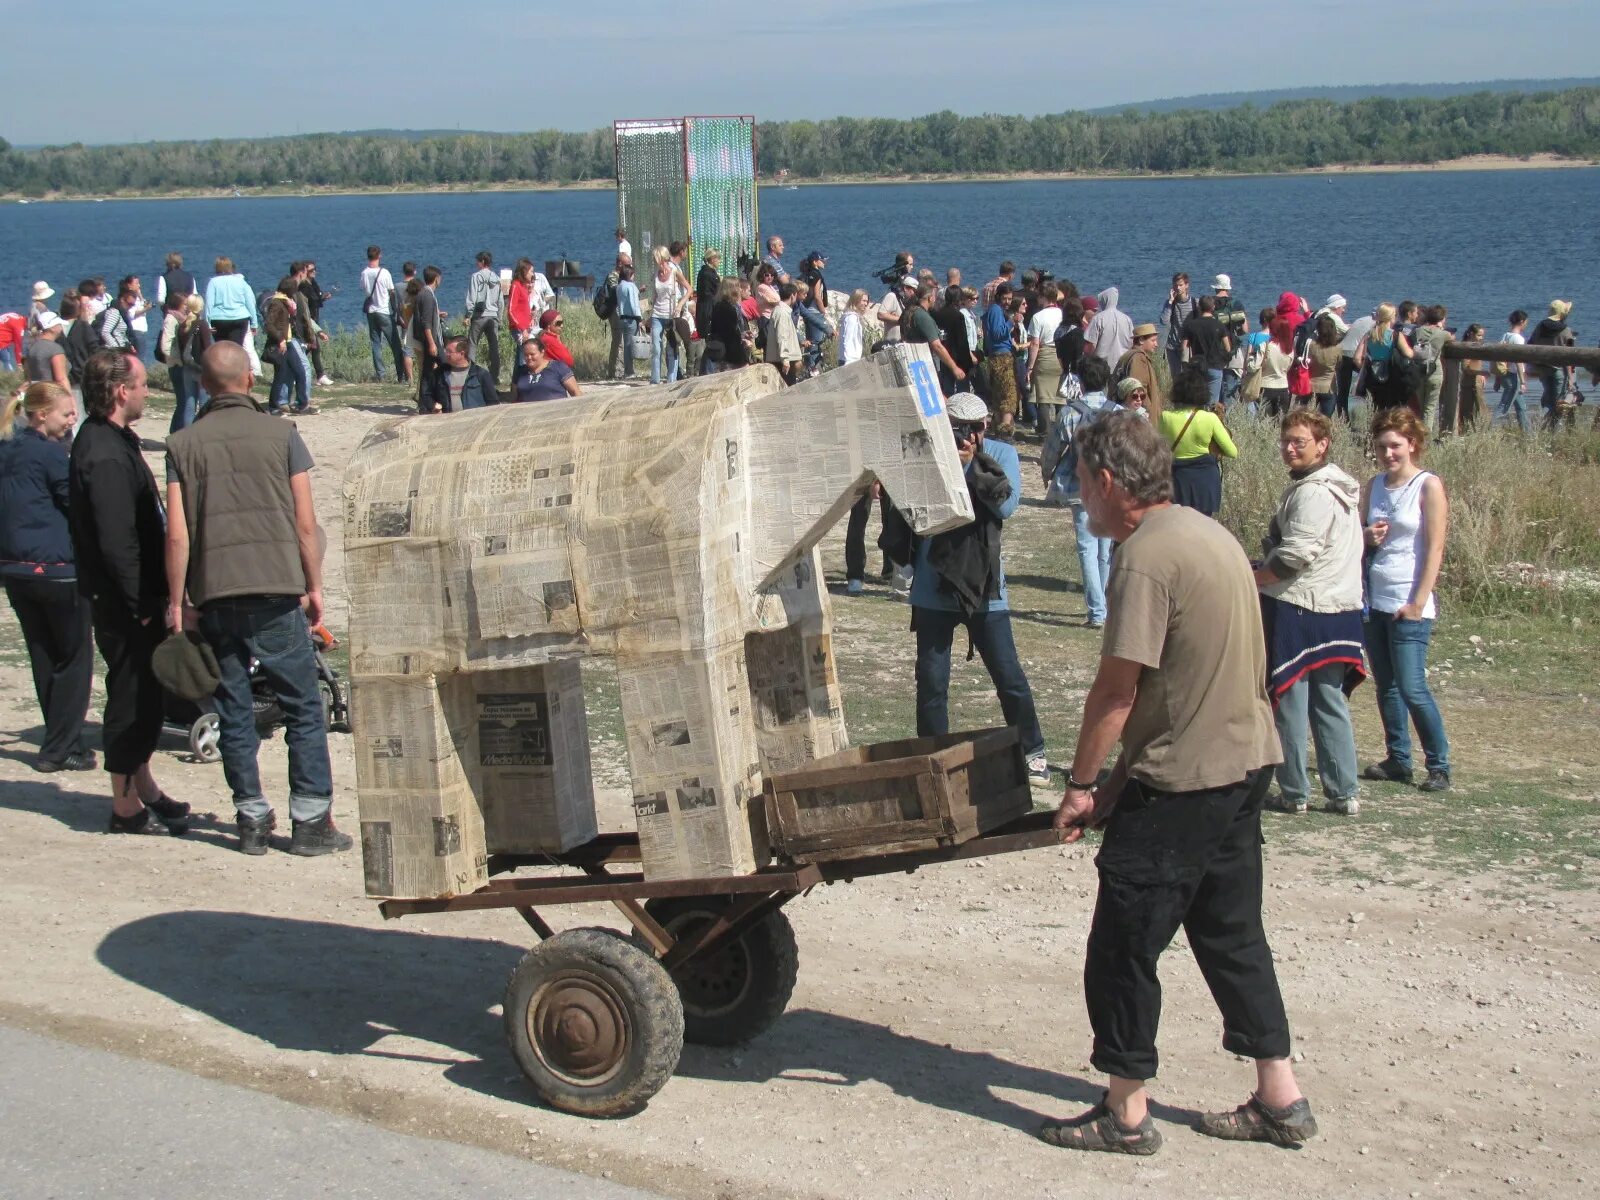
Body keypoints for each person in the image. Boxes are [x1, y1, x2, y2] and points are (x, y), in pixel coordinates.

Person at [1044, 409, 1313, 1157]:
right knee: (1231, 933)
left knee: (1123, 942)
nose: (1080, 498)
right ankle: (1279, 1097)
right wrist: (1118, 782)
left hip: (1187, 783)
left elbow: (1119, 693)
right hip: (1244, 763)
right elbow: (1188, 678)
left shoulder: (1145, 556)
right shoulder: (1210, 532)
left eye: (1080, 483)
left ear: (1106, 481)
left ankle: (1124, 1113)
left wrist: (1082, 785)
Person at [164, 341, 350, 856]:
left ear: (203, 384)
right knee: (302, 706)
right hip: (275, 588)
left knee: (233, 708)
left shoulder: (182, 445)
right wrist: (314, 587)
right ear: (251, 378)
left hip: (215, 592)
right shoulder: (282, 434)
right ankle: (311, 822)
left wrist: (179, 601)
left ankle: (250, 818)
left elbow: (177, 536)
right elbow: (305, 524)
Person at [68, 349, 189, 837]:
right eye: (140, 385)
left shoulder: (112, 440)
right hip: (126, 605)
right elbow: (118, 542)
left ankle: (145, 786)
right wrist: (142, 605)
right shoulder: (103, 454)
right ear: (121, 391)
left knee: (146, 697)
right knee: (130, 698)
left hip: (133, 598)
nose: (145, 391)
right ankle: (125, 808)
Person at [910, 392, 1048, 781]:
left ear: (986, 426)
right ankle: (933, 759)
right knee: (932, 682)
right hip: (933, 584)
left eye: (975, 428)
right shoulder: (926, 453)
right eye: (958, 428)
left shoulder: (1002, 456)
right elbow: (917, 513)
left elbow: (1005, 507)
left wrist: (971, 469)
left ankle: (1033, 750)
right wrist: (943, 464)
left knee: (1009, 676)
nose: (968, 436)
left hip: (986, 586)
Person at [1254, 411, 1366, 816]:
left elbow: (1296, 556)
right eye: (1286, 440)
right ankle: (1342, 792)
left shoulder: (1315, 492)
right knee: (1329, 701)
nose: (1289, 447)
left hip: (1303, 605)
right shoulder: (1336, 488)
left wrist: (1257, 579)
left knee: (1290, 699)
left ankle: (1294, 792)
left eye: (1299, 441)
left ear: (1322, 445)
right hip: (1339, 606)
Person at [1, 383, 96, 772]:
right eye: (66, 413)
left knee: (43, 653)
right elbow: (76, 504)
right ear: (41, 415)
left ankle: (61, 738)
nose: (72, 419)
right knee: (74, 657)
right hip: (57, 569)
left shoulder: (6, 450)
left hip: (15, 569)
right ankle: (60, 747)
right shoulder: (51, 455)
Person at [1361, 406, 1451, 793]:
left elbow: (1434, 549)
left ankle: (1439, 763)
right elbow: (1359, 538)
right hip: (1375, 598)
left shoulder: (1428, 485)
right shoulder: (1374, 485)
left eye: (1395, 446)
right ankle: (1398, 757)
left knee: (1413, 686)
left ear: (1412, 444)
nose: (1388, 454)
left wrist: (1418, 601)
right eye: (1382, 447)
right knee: (1387, 685)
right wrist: (1366, 536)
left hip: (1408, 600)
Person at [1041, 356, 1118, 629]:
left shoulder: (1071, 412)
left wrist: (1046, 473)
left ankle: (1096, 612)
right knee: (1105, 550)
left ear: (1081, 382)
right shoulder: (1118, 412)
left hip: (1079, 486)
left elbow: (1052, 448)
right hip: (1110, 489)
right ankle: (1106, 607)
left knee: (1087, 549)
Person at [1160, 365, 1237, 517]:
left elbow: (1156, 448)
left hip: (1177, 479)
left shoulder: (1165, 417)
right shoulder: (1210, 418)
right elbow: (1232, 452)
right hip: (1205, 481)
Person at [159, 294, 213, 433]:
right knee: (204, 404)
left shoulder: (183, 325)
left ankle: (187, 434)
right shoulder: (202, 324)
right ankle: (203, 433)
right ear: (200, 307)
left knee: (189, 404)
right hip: (201, 369)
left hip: (187, 368)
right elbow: (208, 348)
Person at [263, 276, 316, 415]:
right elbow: (269, 325)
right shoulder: (276, 303)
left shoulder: (285, 302)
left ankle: (302, 404)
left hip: (289, 341)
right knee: (281, 376)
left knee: (299, 372)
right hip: (281, 343)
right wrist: (280, 339)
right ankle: (274, 406)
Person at [1354, 303, 1412, 413]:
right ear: (1390, 317)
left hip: (1372, 375)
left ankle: (1375, 428)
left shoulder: (1369, 334)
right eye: (1395, 315)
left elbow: (1357, 358)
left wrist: (1366, 368)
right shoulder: (1395, 335)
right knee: (1391, 408)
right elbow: (1409, 353)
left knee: (1375, 408)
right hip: (1391, 374)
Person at [1527, 300, 1575, 429]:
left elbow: (1530, 344)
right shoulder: (1566, 330)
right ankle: (1544, 429)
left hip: (1542, 369)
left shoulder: (1540, 326)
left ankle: (1544, 429)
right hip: (1558, 371)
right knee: (1557, 404)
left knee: (1548, 398)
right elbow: (1569, 356)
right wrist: (1570, 377)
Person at [360, 246, 405, 382]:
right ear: (379, 256)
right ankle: (401, 375)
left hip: (371, 311)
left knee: (376, 343)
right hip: (383, 311)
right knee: (395, 344)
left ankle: (381, 374)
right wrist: (396, 311)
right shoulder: (384, 273)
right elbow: (392, 292)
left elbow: (364, 288)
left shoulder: (364, 273)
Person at [423, 335, 501, 412]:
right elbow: (426, 394)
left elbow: (493, 403)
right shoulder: (439, 374)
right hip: (447, 422)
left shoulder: (481, 375)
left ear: (462, 354)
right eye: (446, 351)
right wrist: (432, 406)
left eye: (449, 352)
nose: (446, 354)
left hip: (475, 421)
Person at [982, 283, 1020, 437]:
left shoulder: (993, 310)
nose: (1008, 302)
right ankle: (1005, 430)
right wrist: (1012, 321)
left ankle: (998, 428)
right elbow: (998, 333)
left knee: (999, 395)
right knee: (1008, 395)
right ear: (998, 296)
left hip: (996, 355)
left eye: (1010, 299)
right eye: (1005, 298)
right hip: (1001, 356)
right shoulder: (996, 311)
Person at [1181, 296, 1232, 408]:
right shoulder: (1219, 325)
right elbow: (1228, 348)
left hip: (1197, 366)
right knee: (1212, 403)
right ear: (1213, 307)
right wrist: (1223, 360)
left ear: (1199, 307)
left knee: (1198, 401)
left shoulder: (1190, 325)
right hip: (1215, 366)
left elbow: (1184, 347)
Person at [464, 250, 503, 384]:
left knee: (473, 344)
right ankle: (494, 376)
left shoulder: (476, 277)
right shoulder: (497, 278)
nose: (476, 264)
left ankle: (470, 373)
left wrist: (468, 315)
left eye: (478, 261)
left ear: (482, 262)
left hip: (479, 315)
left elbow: (472, 297)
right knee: (494, 347)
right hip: (493, 316)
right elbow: (500, 301)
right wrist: (500, 317)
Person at [1114, 322, 1170, 416]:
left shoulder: (1129, 355)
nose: (1156, 344)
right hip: (1141, 416)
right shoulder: (1138, 358)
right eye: (1153, 340)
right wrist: (1148, 411)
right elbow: (1138, 389)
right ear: (1141, 340)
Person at [1412, 305, 1452, 432]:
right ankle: (1425, 437)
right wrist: (1442, 328)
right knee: (1430, 407)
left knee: (1421, 405)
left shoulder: (1418, 331)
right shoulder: (1443, 334)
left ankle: (1418, 433)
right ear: (1442, 319)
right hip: (1435, 372)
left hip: (1419, 371)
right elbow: (1452, 338)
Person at [649, 250, 686, 384]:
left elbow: (689, 288)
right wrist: (650, 313)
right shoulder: (655, 275)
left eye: (658, 259)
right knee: (656, 347)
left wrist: (680, 305)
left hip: (671, 314)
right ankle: (655, 380)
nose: (657, 262)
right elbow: (655, 295)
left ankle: (671, 379)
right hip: (657, 314)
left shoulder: (674, 272)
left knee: (671, 347)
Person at [204, 257, 256, 346]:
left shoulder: (213, 282)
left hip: (219, 319)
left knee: (221, 348)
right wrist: (254, 323)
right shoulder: (240, 281)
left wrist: (207, 323)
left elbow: (209, 304)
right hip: (239, 318)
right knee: (236, 348)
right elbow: (249, 302)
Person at [1493, 310, 1531, 433]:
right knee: (1504, 406)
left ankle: (1528, 433)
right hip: (1513, 376)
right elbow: (1518, 361)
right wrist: (1523, 381)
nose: (1526, 324)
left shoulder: (1505, 335)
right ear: (1521, 322)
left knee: (1521, 407)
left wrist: (1498, 379)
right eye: (1526, 322)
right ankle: (1489, 431)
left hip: (1505, 375)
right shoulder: (1518, 338)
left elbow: (1500, 361)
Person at [510, 336, 579, 402]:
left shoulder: (558, 367)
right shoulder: (520, 372)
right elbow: (514, 399)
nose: (529, 358)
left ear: (542, 352)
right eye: (526, 355)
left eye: (532, 354)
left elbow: (576, 392)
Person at [1084, 287, 1134, 373]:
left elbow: (1092, 345)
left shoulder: (1098, 319)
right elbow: (1132, 342)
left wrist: (1088, 362)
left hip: (1101, 366)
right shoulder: (1127, 319)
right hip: (1122, 364)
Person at [413, 266, 444, 400]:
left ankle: (425, 401)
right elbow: (426, 322)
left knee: (427, 371)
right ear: (436, 279)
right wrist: (432, 343)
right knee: (446, 364)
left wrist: (437, 314)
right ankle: (434, 398)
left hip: (429, 338)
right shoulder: (427, 295)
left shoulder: (424, 293)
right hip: (432, 339)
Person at [1257, 308, 1295, 417]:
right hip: (1283, 386)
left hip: (1265, 385)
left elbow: (1257, 365)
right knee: (1280, 422)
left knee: (1263, 421)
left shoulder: (1266, 345)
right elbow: (1288, 368)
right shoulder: (1290, 349)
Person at [765, 282, 804, 385]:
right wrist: (785, 359)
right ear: (792, 295)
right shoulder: (782, 313)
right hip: (783, 362)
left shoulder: (780, 310)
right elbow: (782, 336)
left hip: (781, 360)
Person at [1159, 272, 1195, 382]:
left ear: (1186, 285)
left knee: (1189, 377)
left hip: (1189, 347)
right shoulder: (1170, 303)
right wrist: (1170, 302)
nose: (1178, 288)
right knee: (1176, 378)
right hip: (1173, 346)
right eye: (1175, 285)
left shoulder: (1194, 303)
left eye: (1180, 285)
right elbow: (1164, 321)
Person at [1453, 324, 1489, 433]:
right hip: (1470, 384)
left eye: (1482, 335)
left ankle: (1477, 432)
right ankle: (1469, 433)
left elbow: (1475, 364)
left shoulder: (1475, 346)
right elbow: (1465, 368)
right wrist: (1481, 372)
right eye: (1479, 335)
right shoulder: (1467, 347)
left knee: (1479, 410)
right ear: (1471, 334)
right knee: (1470, 411)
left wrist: (1480, 374)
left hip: (1475, 382)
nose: (1481, 338)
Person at [25, 311, 72, 389]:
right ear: (52, 328)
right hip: (52, 394)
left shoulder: (33, 347)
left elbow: (28, 377)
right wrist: (70, 399)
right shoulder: (54, 349)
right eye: (59, 324)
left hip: (37, 393)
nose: (61, 326)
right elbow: (61, 379)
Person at [603, 253, 631, 380]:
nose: (628, 267)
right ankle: (614, 371)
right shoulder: (613, 276)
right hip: (615, 311)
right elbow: (616, 292)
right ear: (620, 264)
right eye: (627, 265)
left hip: (621, 310)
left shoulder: (621, 277)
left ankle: (619, 369)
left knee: (622, 341)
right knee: (618, 341)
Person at [614, 264, 643, 378]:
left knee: (626, 344)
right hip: (631, 318)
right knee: (630, 345)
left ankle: (628, 369)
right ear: (630, 275)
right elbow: (634, 304)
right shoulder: (631, 286)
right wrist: (639, 318)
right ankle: (629, 371)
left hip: (622, 317)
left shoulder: (619, 286)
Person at [508, 258, 538, 349]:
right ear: (524, 271)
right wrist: (522, 329)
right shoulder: (516, 285)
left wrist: (531, 318)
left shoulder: (524, 287)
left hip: (526, 327)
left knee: (523, 356)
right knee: (533, 349)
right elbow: (511, 311)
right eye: (531, 271)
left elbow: (523, 308)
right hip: (519, 328)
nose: (532, 274)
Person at [838, 289, 869, 367]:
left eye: (867, 301)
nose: (866, 304)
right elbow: (847, 340)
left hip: (853, 359)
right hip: (849, 360)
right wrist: (848, 362)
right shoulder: (851, 318)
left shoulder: (853, 317)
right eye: (863, 301)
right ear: (856, 300)